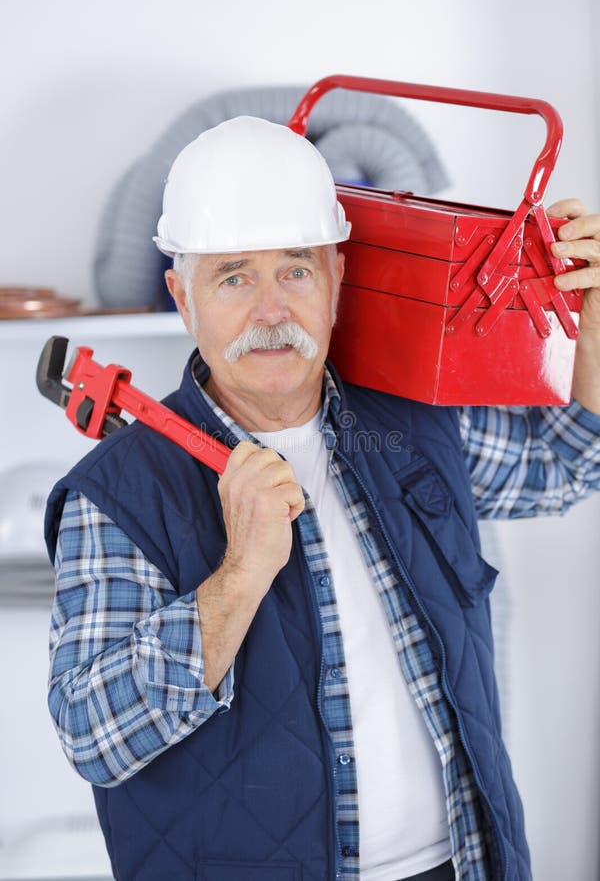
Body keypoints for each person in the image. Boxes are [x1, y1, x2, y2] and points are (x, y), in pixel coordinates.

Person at [45, 116, 600, 881]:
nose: (271, 310)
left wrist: (594, 325)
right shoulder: (119, 495)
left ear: (337, 279)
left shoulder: (413, 424)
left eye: (296, 269)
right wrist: (239, 575)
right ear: (184, 296)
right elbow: (93, 735)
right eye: (234, 275)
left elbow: (568, 463)